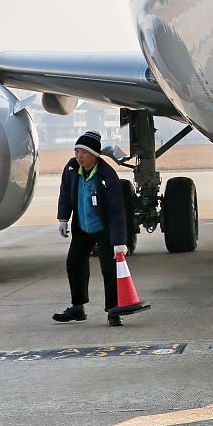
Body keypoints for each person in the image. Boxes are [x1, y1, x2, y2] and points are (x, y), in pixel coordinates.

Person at [53, 130, 130, 327]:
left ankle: (113, 310)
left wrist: (119, 241)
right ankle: (78, 307)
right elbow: (65, 193)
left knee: (109, 269)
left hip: (103, 228)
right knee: (74, 263)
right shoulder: (71, 168)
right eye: (76, 151)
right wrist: (63, 219)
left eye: (84, 152)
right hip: (82, 227)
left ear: (94, 155)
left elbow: (117, 210)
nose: (79, 156)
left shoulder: (107, 175)